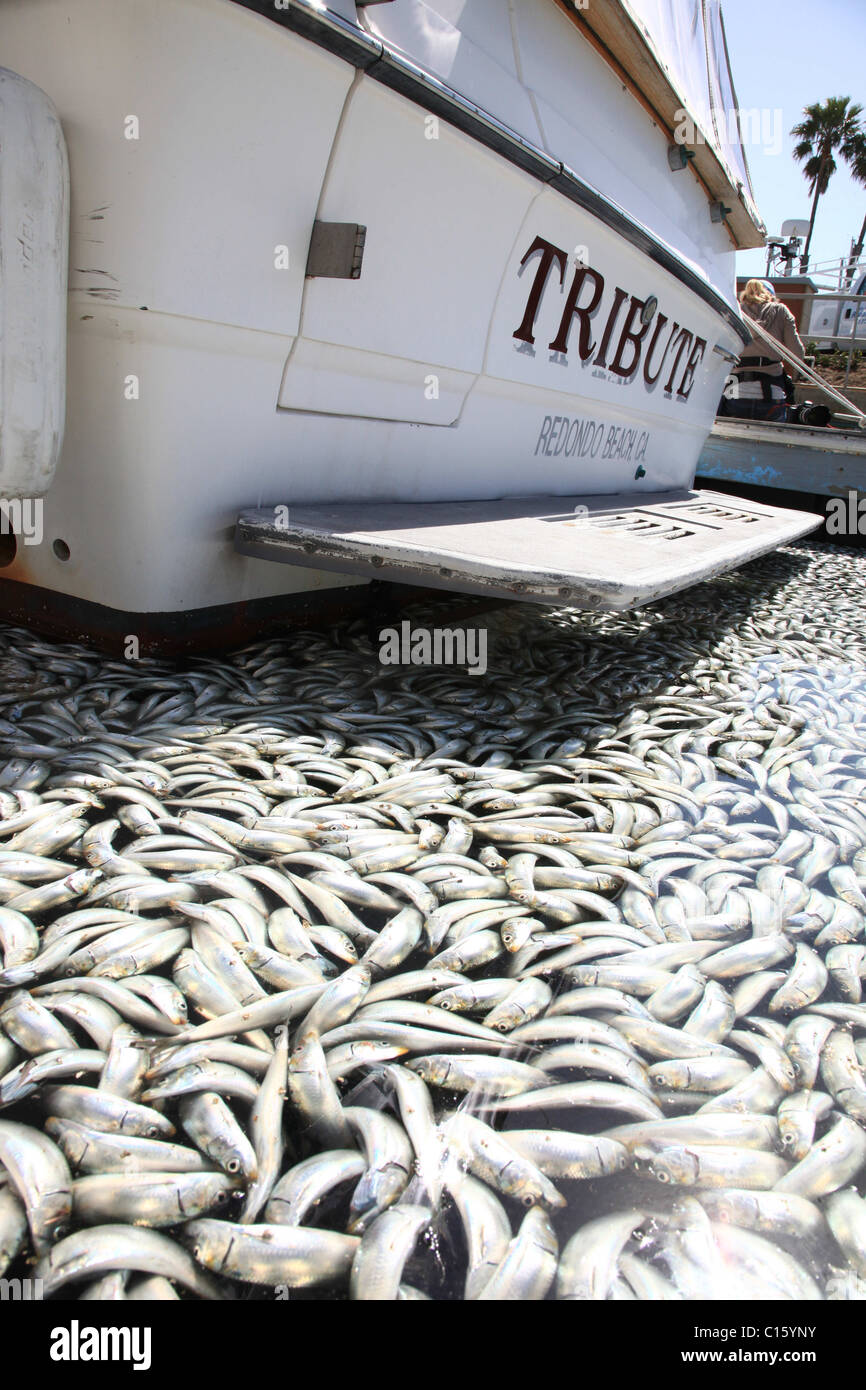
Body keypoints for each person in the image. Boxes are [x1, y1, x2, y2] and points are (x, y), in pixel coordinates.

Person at [719, 279, 805, 422]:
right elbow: (797, 355)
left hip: (736, 392)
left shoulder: (734, 313)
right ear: (770, 296)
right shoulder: (780, 311)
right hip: (772, 395)